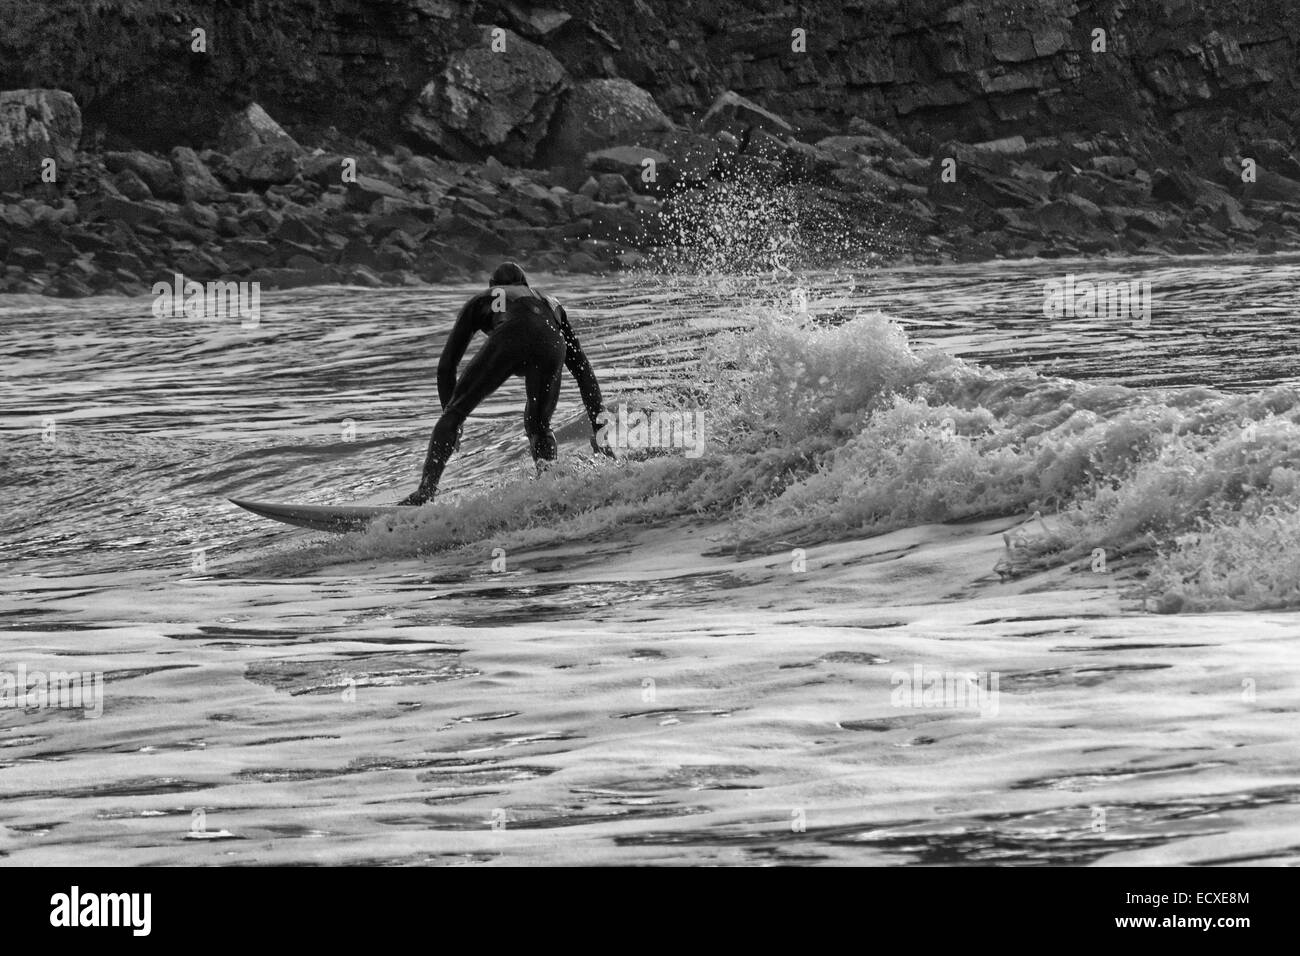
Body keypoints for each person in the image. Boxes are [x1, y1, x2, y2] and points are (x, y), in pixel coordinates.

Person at [399, 261, 610, 506]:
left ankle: (425, 492)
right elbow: (583, 370)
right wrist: (601, 434)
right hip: (551, 342)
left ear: (492, 285)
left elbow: (447, 366)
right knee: (539, 425)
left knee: (454, 413)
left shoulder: (484, 298)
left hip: (511, 336)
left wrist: (452, 418)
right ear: (526, 286)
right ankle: (549, 490)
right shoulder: (551, 303)